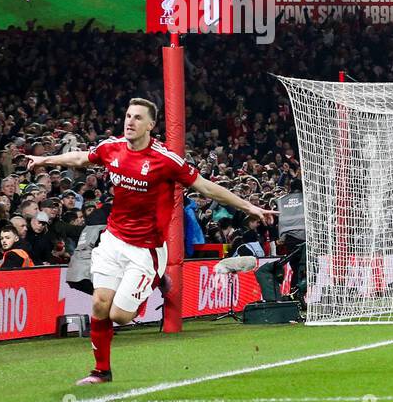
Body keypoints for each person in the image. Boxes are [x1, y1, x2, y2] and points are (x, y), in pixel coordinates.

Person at [25, 97, 274, 384]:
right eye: (128, 116)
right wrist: (45, 160)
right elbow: (81, 158)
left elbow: (206, 187)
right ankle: (101, 371)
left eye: (137, 118)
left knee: (120, 316)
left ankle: (155, 282)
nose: (130, 122)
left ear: (151, 125)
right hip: (113, 240)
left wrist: (249, 207)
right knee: (98, 305)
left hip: (146, 250)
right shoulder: (111, 148)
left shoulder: (166, 160)